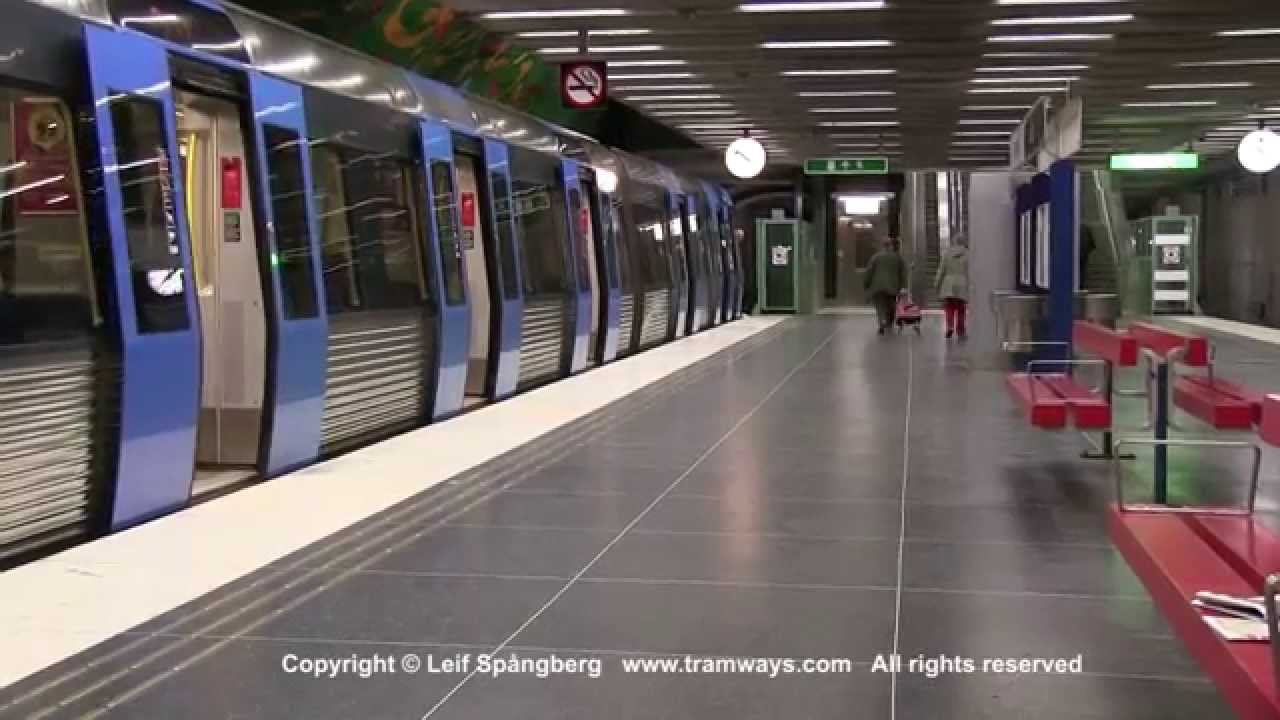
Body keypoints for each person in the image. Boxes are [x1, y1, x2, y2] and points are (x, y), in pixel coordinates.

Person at [864, 238, 907, 335]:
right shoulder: (898, 258)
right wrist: (904, 286)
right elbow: (903, 273)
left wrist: (866, 284)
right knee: (891, 305)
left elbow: (869, 272)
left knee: (880, 306)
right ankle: (889, 322)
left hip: (877, 287)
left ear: (883, 246)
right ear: (891, 246)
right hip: (892, 287)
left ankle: (882, 321)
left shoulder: (875, 257)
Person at [934, 234, 971, 339]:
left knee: (949, 307)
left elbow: (941, 270)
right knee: (961, 308)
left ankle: (950, 327)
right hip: (962, 283)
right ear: (963, 242)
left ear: (954, 241)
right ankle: (961, 330)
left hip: (948, 283)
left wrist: (936, 283)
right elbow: (970, 271)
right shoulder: (968, 254)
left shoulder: (946, 253)